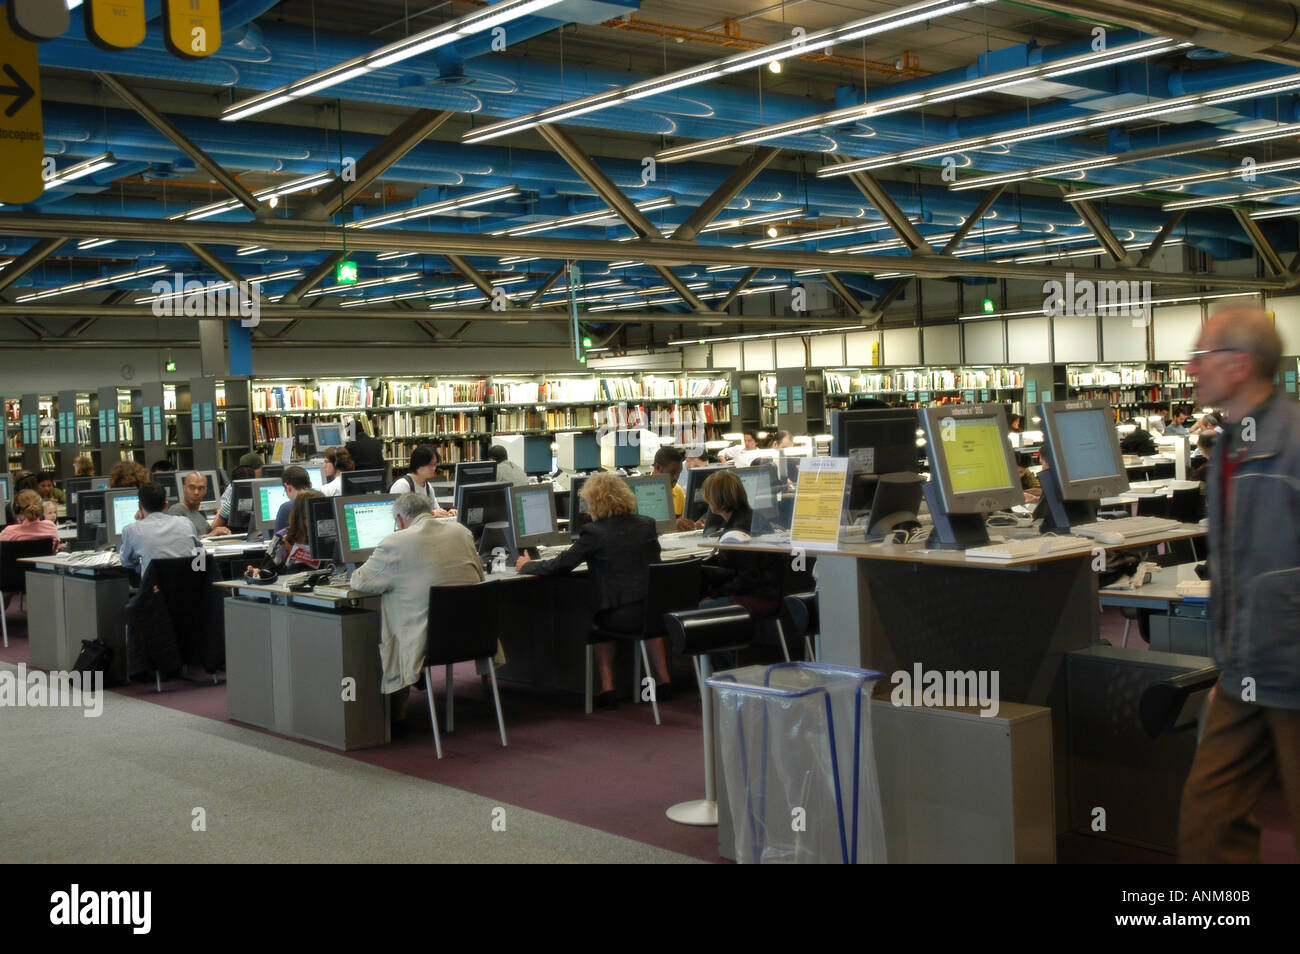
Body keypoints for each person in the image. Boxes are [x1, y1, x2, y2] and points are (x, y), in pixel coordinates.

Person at [1178, 306, 1300, 864]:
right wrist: (1229, 663)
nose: (1190, 368)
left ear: (1239, 365)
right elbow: (1234, 567)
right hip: (1246, 671)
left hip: (1294, 671)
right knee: (1208, 822)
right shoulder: (1228, 445)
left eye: (1202, 356)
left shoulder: (1292, 444)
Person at [516, 473, 664, 708]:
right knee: (635, 610)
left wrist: (527, 566)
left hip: (620, 616)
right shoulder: (646, 524)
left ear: (596, 503)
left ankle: (608, 688)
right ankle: (664, 682)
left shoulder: (594, 533)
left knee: (598, 616)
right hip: (655, 612)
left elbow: (560, 565)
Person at [349, 493, 484, 724]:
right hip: (474, 636)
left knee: (391, 606)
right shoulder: (462, 532)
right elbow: (480, 575)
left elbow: (360, 582)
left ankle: (394, 713)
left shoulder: (395, 542)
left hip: (427, 642)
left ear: (400, 520)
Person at [697, 469, 783, 617]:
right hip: (770, 593)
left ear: (715, 499)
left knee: (691, 608)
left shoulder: (737, 532)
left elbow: (748, 577)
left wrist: (715, 592)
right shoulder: (754, 518)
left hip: (755, 597)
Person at [118, 481, 201, 581]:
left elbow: (127, 563)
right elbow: (200, 554)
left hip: (155, 593)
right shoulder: (186, 523)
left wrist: (139, 523)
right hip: (190, 592)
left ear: (140, 506)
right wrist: (200, 577)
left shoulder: (132, 530)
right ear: (166, 505)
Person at [247, 489, 324, 576]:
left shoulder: (331, 537)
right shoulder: (284, 538)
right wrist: (257, 573)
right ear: (301, 516)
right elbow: (267, 571)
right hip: (288, 586)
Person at [389, 445, 453, 517]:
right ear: (418, 464)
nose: (434, 468)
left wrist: (447, 514)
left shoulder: (428, 486)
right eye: (430, 465)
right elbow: (398, 516)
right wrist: (431, 513)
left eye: (435, 464)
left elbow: (436, 510)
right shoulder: (402, 485)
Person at [167, 471, 229, 537]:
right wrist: (210, 535)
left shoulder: (200, 513)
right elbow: (179, 540)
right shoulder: (176, 510)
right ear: (184, 488)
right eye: (191, 487)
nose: (196, 492)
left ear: (206, 491)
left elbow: (209, 534)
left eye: (201, 488)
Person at [209, 464, 256, 533]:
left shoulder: (230, 505)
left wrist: (220, 512)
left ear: (232, 485)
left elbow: (213, 529)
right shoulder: (260, 501)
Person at [652, 446, 687, 523]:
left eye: (678, 473)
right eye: (672, 472)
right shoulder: (638, 492)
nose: (676, 477)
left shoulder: (678, 491)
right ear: (657, 467)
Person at [274, 465, 312, 536]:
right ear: (310, 485)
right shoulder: (322, 502)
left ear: (288, 487)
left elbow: (279, 543)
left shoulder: (286, 508)